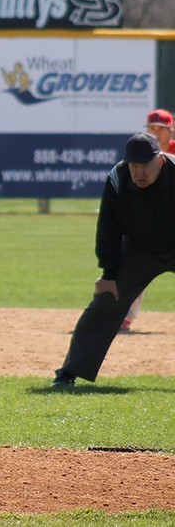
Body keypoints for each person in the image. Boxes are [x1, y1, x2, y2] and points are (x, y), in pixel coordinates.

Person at [51, 132, 175, 387]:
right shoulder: (118, 177)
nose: (139, 172)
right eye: (134, 166)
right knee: (106, 301)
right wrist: (109, 274)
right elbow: (108, 225)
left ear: (160, 161)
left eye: (145, 165)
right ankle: (68, 373)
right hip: (141, 251)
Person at [121, 108, 175, 331]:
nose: (155, 133)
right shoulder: (142, 157)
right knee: (131, 264)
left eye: (160, 129)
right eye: (151, 128)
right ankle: (123, 316)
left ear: (170, 131)